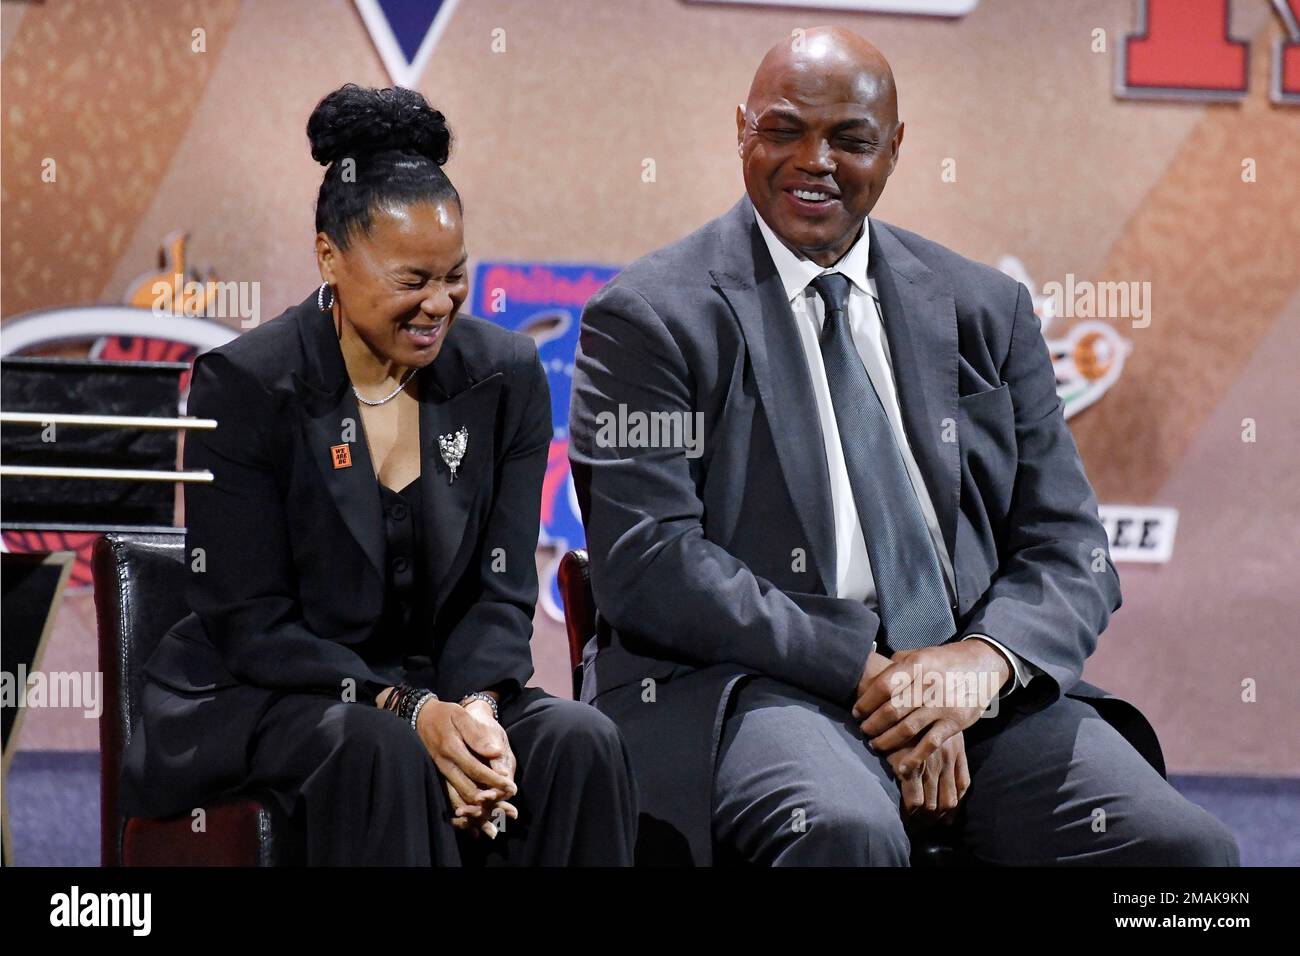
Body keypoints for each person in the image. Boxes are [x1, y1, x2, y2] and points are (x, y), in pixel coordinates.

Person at [568, 28, 1239, 866]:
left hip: (974, 693)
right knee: (844, 835)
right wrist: (869, 670)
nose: (814, 160)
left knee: (1186, 854)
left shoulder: (984, 309)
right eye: (783, 130)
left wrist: (979, 664)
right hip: (754, 686)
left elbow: (1069, 547)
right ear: (740, 128)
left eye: (849, 139)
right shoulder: (651, 319)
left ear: (895, 148)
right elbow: (652, 563)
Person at [121, 84, 636, 866]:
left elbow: (500, 591)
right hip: (272, 694)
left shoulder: (506, 375)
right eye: (411, 280)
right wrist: (410, 708)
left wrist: (477, 710)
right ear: (329, 254)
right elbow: (252, 621)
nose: (439, 304)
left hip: (441, 683)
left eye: (454, 275)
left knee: (577, 739)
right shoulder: (251, 383)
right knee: (383, 748)